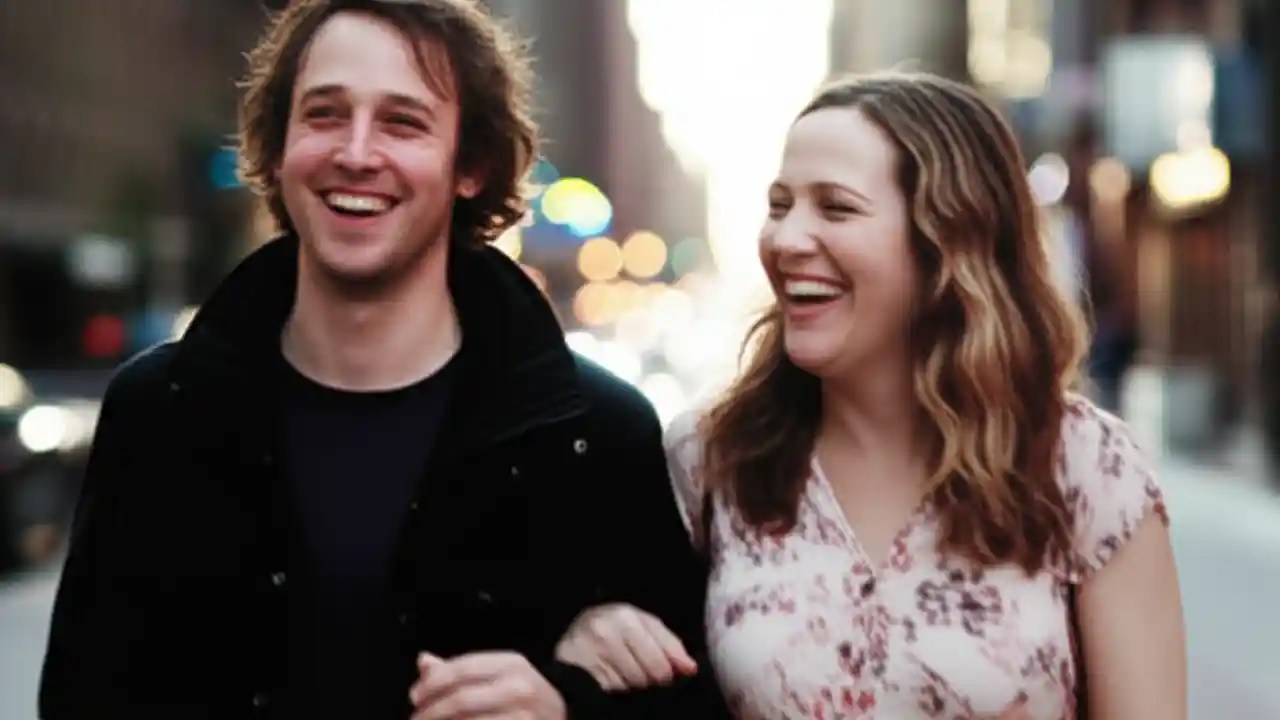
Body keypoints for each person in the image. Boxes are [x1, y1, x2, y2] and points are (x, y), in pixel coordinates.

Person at [38, 1, 725, 718]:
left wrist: (565, 704)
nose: (357, 153)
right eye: (325, 114)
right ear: (278, 149)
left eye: (403, 122)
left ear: (471, 166)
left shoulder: (597, 439)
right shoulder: (159, 414)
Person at [553, 73, 1187, 718]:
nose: (786, 240)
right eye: (780, 205)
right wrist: (586, 642)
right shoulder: (709, 461)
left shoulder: (1087, 466)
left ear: (946, 243)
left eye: (836, 207)